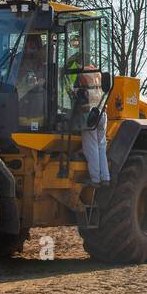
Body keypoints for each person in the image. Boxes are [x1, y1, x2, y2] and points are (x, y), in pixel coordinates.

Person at [64, 34, 109, 187]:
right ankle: (106, 178)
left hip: (89, 114)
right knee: (101, 146)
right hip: (102, 113)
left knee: (90, 148)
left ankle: (95, 179)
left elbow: (77, 93)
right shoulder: (96, 72)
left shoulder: (81, 74)